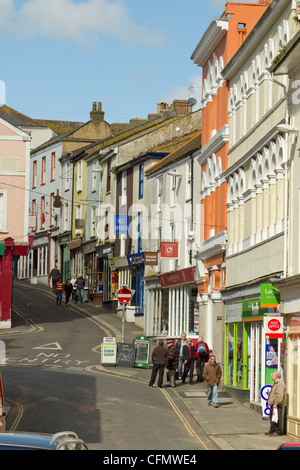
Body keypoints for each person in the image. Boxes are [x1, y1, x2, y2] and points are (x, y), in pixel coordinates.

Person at [265, 371, 287, 436]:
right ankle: (272, 429)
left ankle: (278, 431)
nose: (272, 377)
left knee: (277, 418)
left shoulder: (280, 384)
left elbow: (280, 394)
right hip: (273, 403)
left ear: (275, 377)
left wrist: (276, 403)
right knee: (272, 417)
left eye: (273, 376)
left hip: (277, 404)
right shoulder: (276, 383)